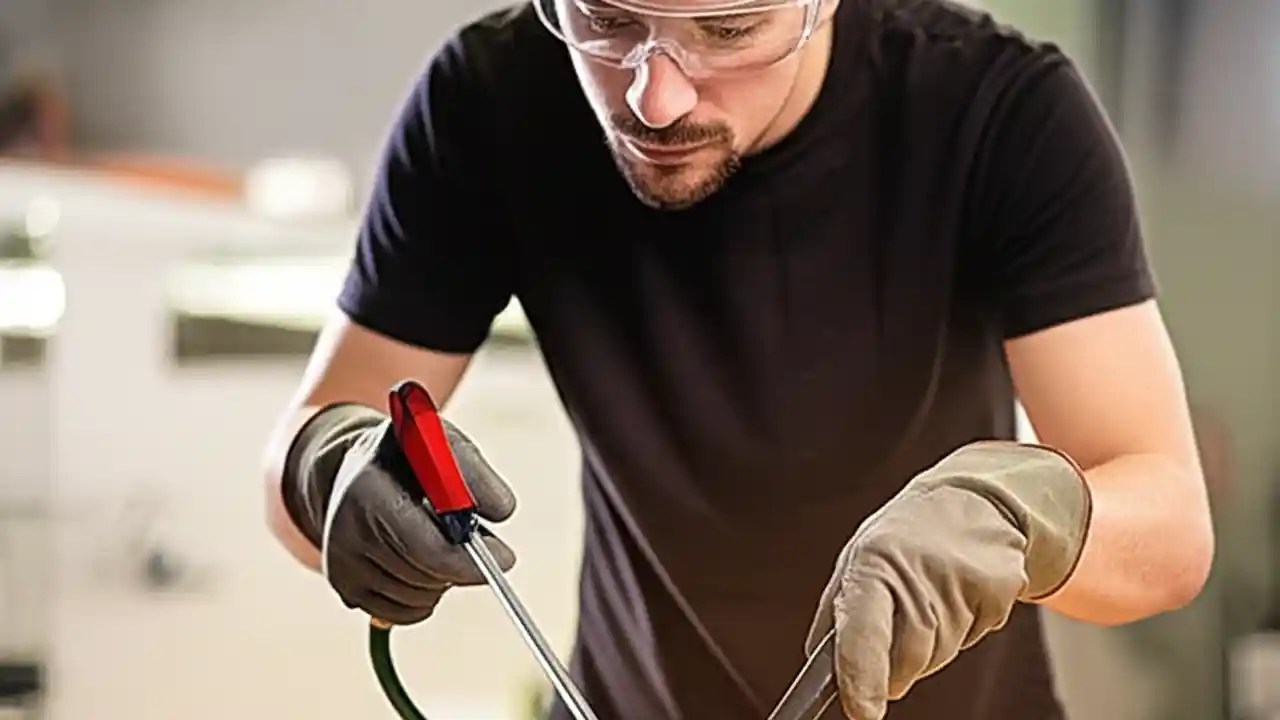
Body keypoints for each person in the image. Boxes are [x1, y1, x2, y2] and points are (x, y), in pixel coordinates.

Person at [262, 0, 1215, 718]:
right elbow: (301, 470)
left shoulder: (1000, 113)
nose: (653, 95)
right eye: (606, 18)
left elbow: (1169, 537)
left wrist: (1020, 521)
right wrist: (332, 467)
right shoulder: (488, 100)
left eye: (728, 28)